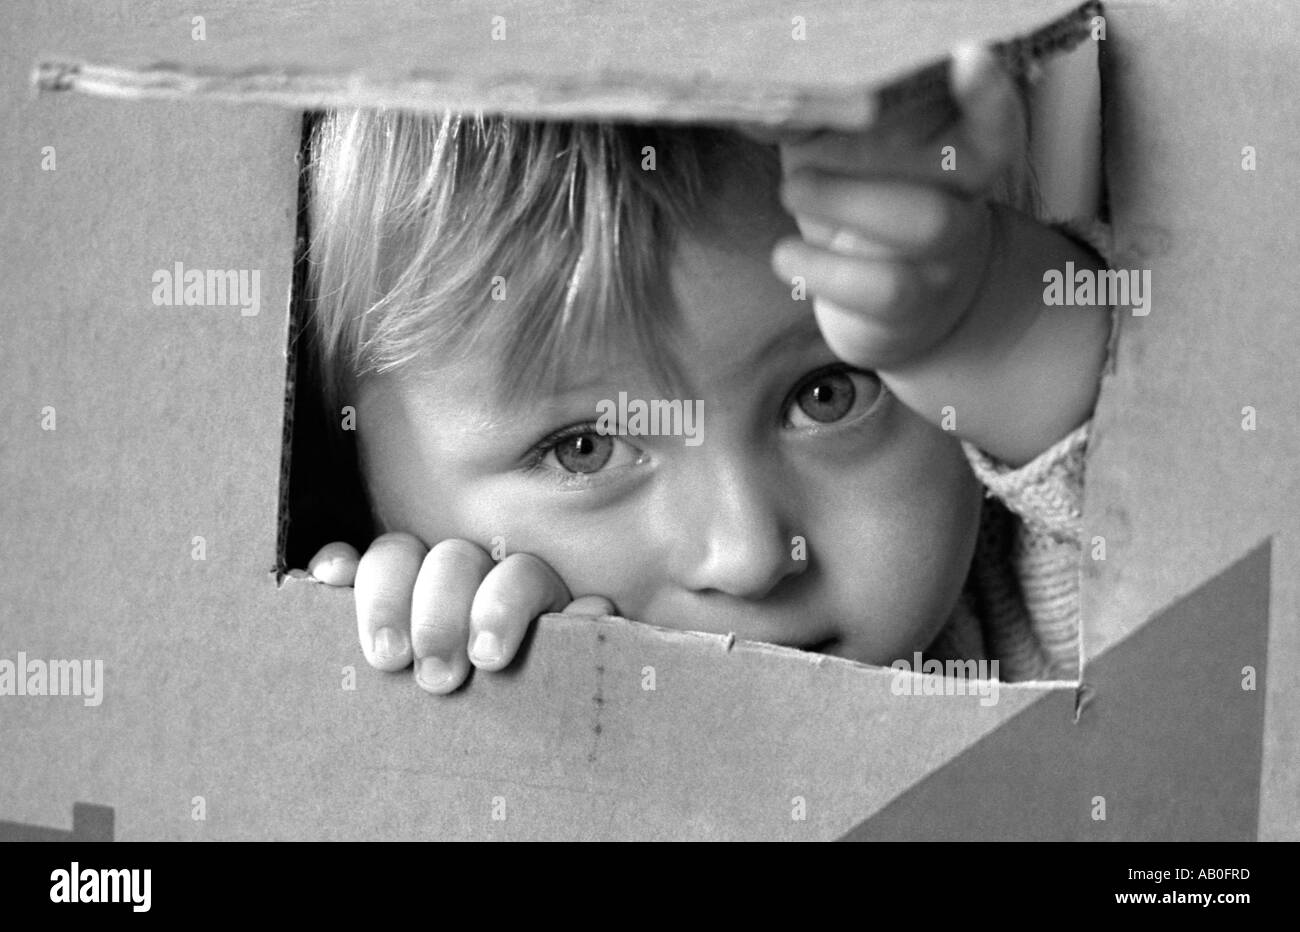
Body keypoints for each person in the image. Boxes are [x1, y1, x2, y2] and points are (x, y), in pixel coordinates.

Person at [301, 46, 1112, 695]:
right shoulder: (423, 660)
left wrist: (993, 325)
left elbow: (1175, 515)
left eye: (826, 395)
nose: (750, 556)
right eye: (583, 448)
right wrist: (484, 701)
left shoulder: (1023, 625)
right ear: (359, 468)